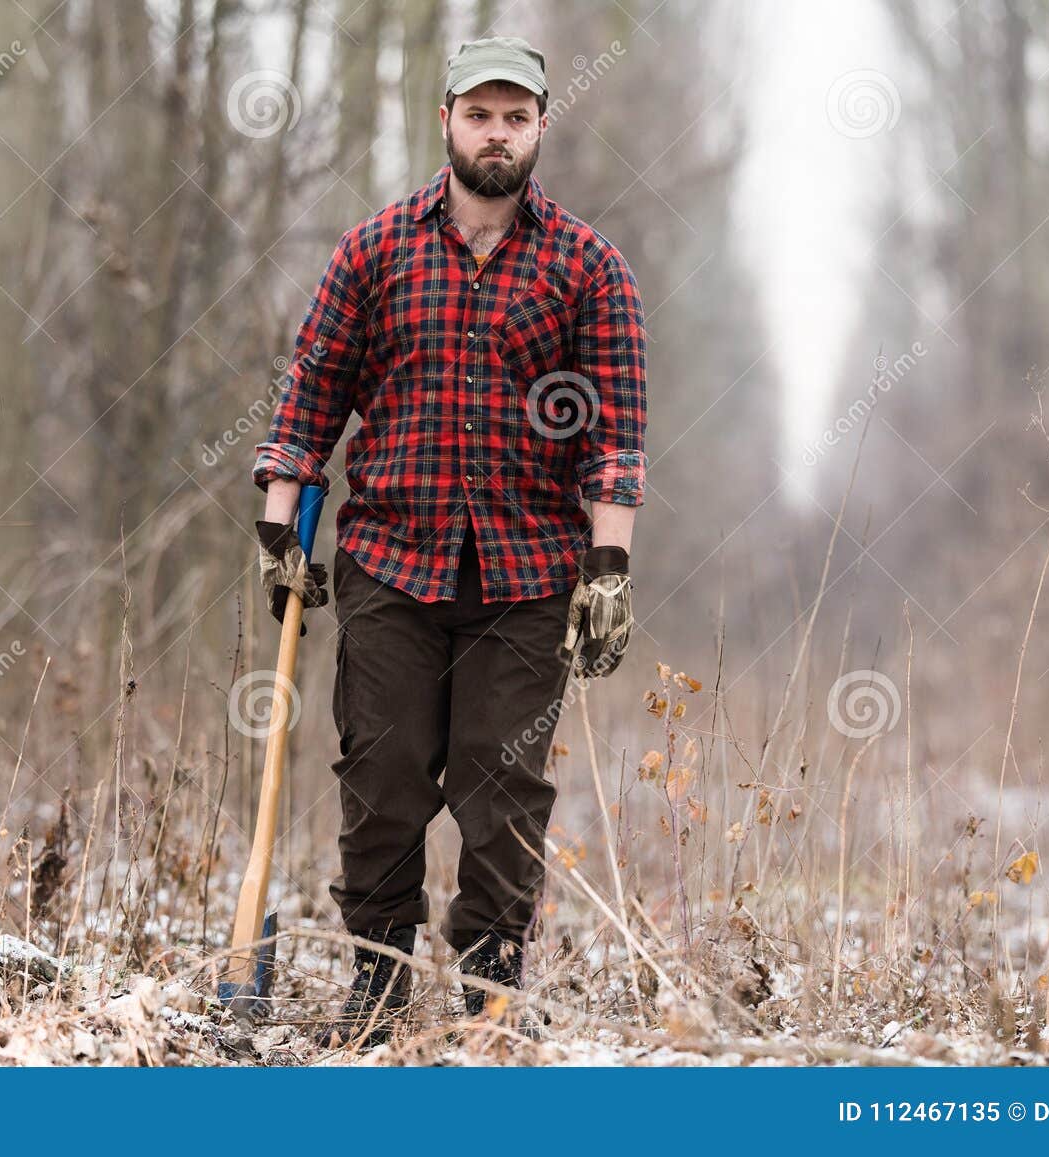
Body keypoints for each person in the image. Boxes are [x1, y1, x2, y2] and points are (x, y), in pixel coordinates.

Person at [252, 35, 647, 1048]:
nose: (497, 134)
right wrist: (275, 523)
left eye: (516, 117)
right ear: (448, 122)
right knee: (381, 776)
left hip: (524, 574)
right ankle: (377, 979)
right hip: (391, 561)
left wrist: (609, 565)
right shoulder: (373, 251)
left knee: (501, 788)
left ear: (540, 128)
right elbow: (309, 401)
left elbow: (614, 436)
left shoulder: (589, 267)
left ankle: (490, 992)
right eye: (480, 114)